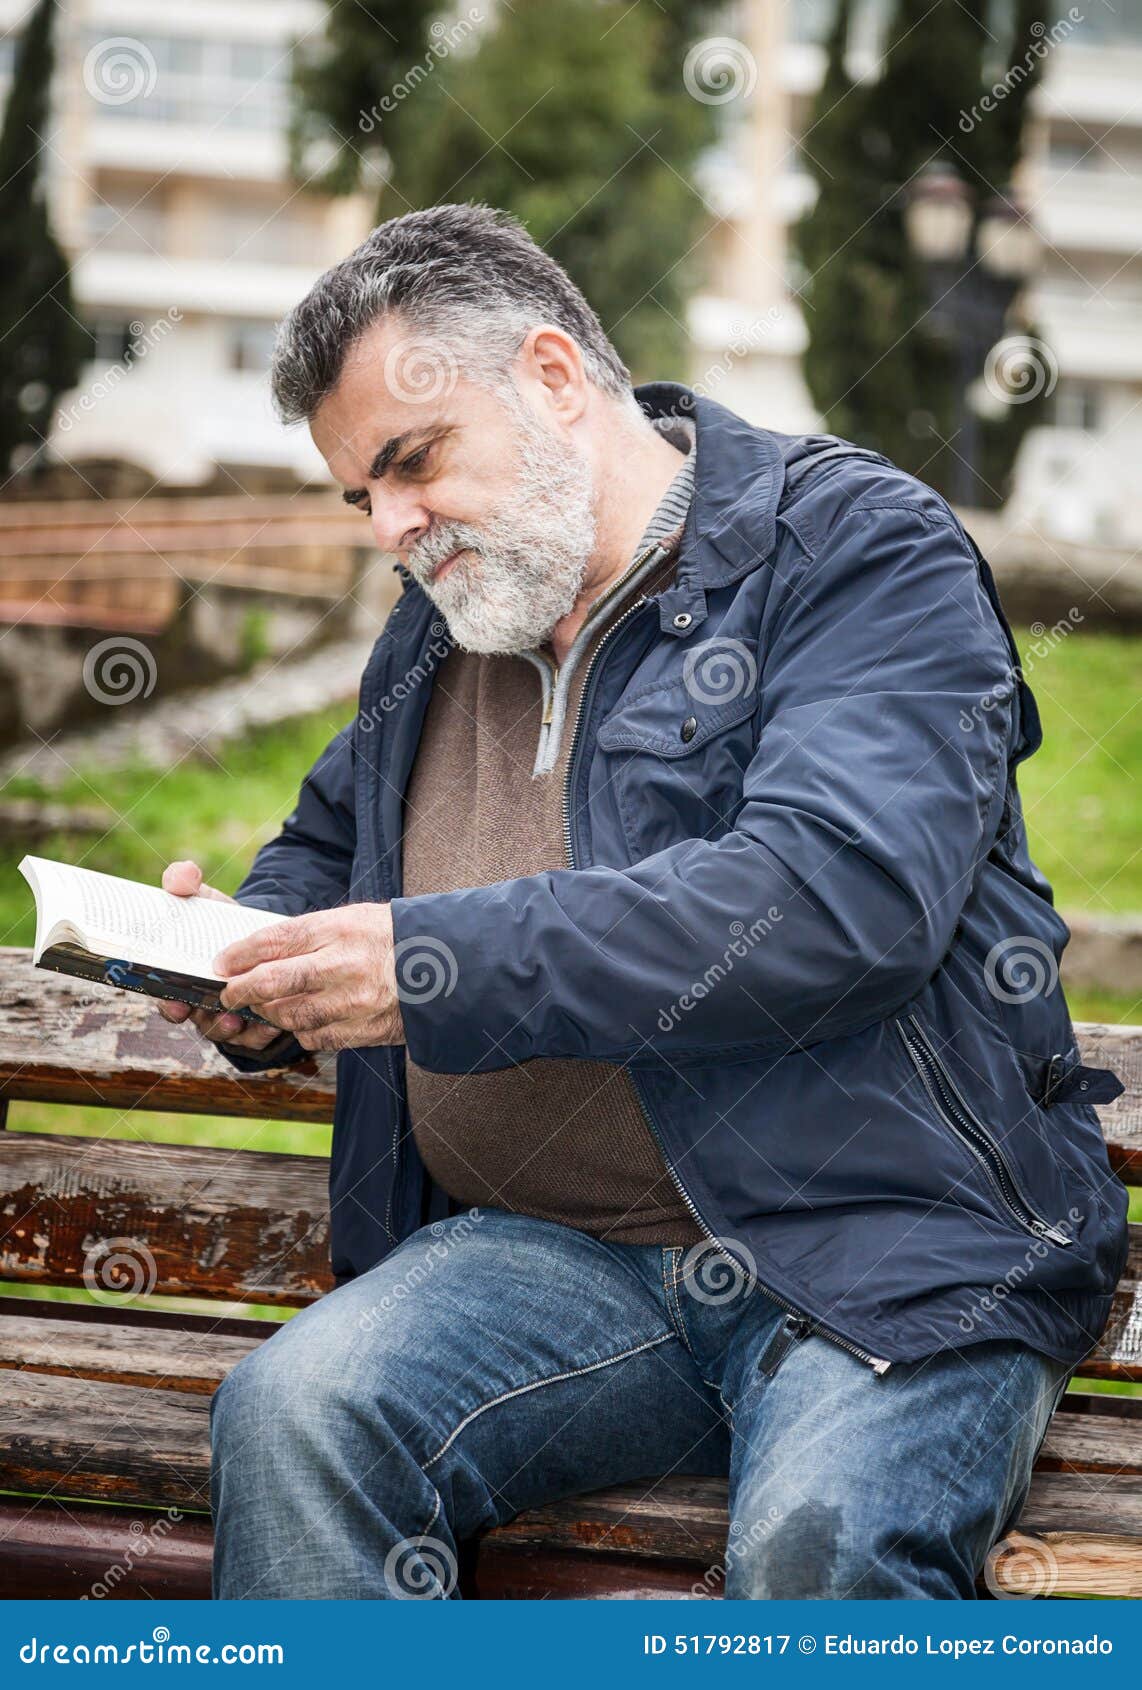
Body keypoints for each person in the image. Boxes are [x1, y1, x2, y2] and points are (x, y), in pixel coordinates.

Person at [157, 203, 1127, 1600]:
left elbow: (832, 896)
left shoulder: (858, 552)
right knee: (297, 1414)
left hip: (879, 1250)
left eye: (410, 463)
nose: (390, 526)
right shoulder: (448, 620)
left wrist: (428, 963)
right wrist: (241, 959)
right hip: (553, 1261)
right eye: (360, 497)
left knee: (823, 1546)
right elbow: (328, 844)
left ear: (553, 377)